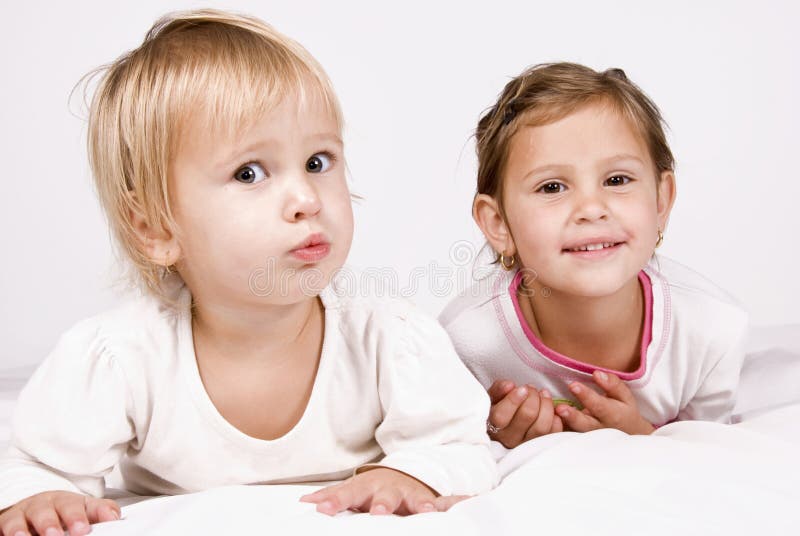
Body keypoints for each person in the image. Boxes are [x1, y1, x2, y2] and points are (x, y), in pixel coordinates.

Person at [0, 10, 497, 536]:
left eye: (318, 161)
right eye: (249, 173)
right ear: (155, 227)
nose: (306, 199)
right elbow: (36, 467)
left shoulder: (389, 340)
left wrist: (410, 473)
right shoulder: (121, 358)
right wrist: (40, 497)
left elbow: (458, 445)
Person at [440, 62, 747, 449]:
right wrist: (494, 435)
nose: (591, 208)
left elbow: (716, 462)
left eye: (617, 180)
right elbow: (443, 443)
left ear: (661, 200)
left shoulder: (712, 329)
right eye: (552, 187)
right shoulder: (467, 342)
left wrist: (641, 437)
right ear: (498, 223)